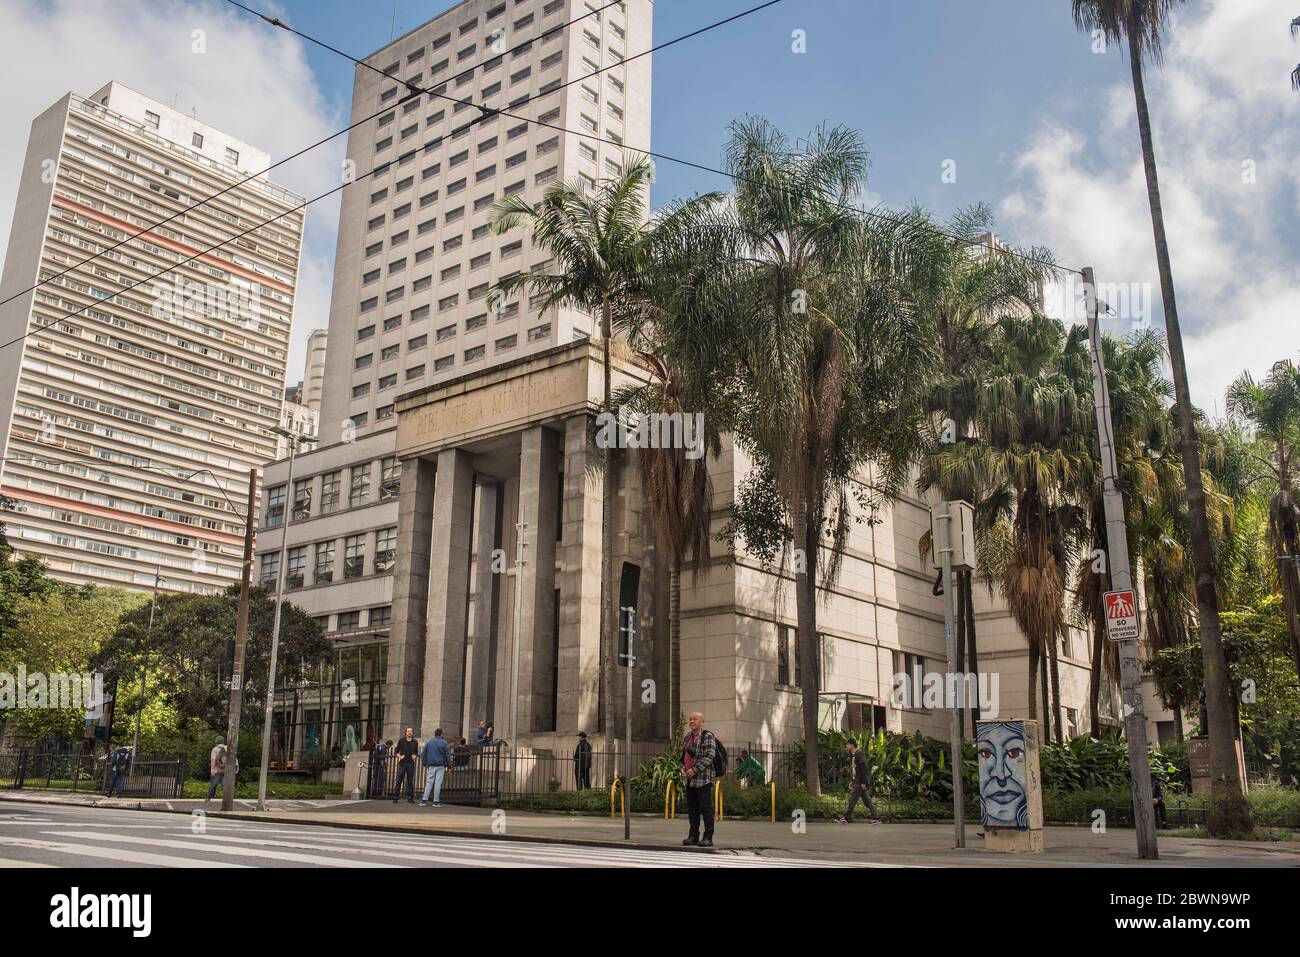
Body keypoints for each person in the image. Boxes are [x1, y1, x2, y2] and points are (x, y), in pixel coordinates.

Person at [679, 712, 718, 847]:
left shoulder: (707, 736)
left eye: (694, 719)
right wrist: (682, 768)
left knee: (706, 809)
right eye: (690, 719)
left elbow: (710, 756)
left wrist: (693, 770)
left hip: (703, 779)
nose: (691, 721)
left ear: (702, 722)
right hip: (689, 780)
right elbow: (681, 756)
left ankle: (708, 837)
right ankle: (693, 836)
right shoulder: (687, 738)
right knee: (692, 809)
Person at [836, 739, 881, 825]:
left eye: (847, 745)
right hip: (857, 781)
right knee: (867, 801)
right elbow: (856, 770)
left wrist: (863, 782)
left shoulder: (859, 753)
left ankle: (845, 818)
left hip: (860, 782)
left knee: (852, 800)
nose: (846, 746)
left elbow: (864, 768)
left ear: (852, 745)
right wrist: (852, 781)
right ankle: (876, 818)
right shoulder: (854, 755)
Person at [420, 728, 453, 807]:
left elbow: (423, 754)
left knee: (429, 782)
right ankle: (436, 801)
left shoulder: (429, 742)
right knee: (438, 783)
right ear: (441, 734)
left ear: (435, 734)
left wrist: (424, 763)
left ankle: (424, 800)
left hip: (431, 765)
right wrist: (449, 766)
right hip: (440, 765)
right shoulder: (444, 743)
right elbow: (447, 755)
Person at [391, 727, 419, 803]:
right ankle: (395, 797)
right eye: (408, 731)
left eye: (411, 731)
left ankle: (410, 798)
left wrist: (415, 756)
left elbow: (416, 752)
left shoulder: (415, 742)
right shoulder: (401, 741)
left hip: (410, 764)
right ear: (405, 732)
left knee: (409, 781)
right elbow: (396, 751)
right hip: (402, 763)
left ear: (412, 733)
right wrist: (399, 756)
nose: (409, 732)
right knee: (399, 780)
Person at [207, 737, 229, 802]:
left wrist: (212, 768)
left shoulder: (215, 749)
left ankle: (208, 798)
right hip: (226, 770)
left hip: (218, 770)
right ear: (223, 741)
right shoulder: (227, 748)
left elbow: (213, 759)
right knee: (224, 784)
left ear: (216, 741)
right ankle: (226, 799)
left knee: (213, 783)